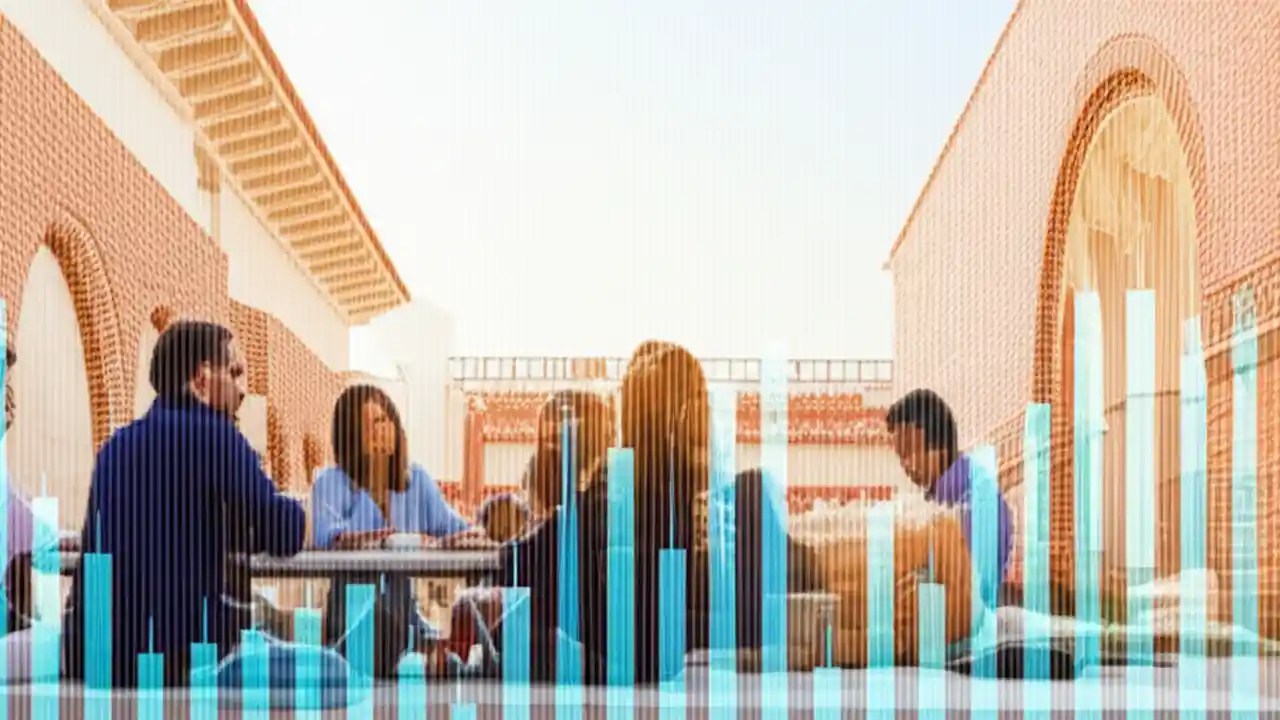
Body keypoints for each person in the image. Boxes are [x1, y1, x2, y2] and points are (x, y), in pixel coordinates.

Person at [63, 320, 307, 687]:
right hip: (178, 667)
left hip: (96, 662)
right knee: (337, 672)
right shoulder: (217, 436)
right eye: (235, 372)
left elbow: (163, 527)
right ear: (201, 377)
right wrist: (304, 509)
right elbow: (283, 532)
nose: (243, 391)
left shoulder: (115, 447)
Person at [310, 384, 487, 677]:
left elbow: (455, 528)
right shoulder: (331, 482)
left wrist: (473, 535)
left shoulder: (415, 481)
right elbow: (331, 538)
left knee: (459, 638)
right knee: (388, 631)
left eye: (388, 418)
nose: (386, 428)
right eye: (374, 423)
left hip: (407, 626)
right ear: (352, 436)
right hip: (354, 628)